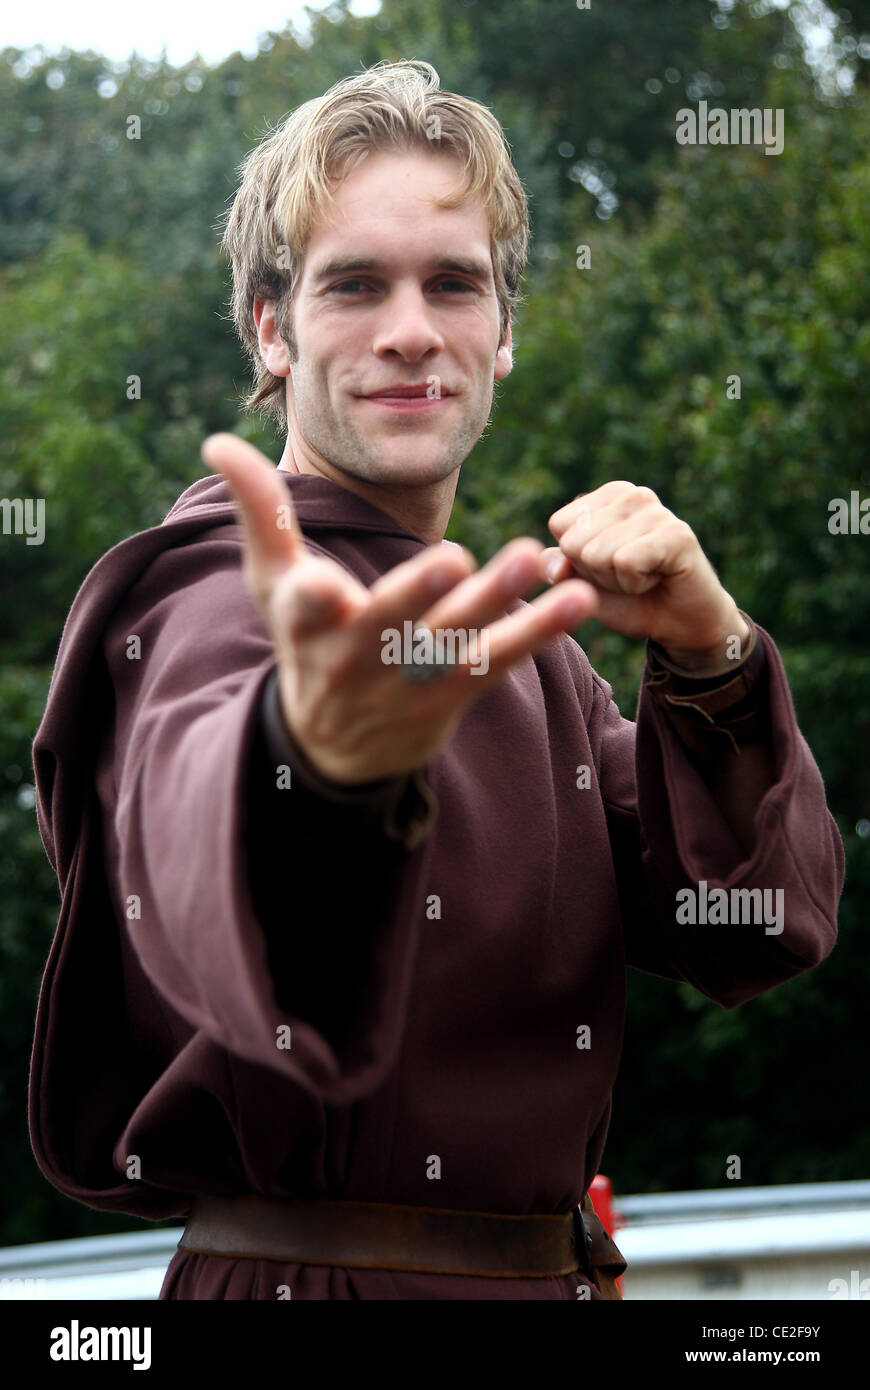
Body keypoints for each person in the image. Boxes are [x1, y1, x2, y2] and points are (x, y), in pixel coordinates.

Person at [29, 60, 844, 1301]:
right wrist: (316, 757)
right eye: (353, 283)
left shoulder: (534, 657)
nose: (411, 328)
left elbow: (752, 926)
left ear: (504, 333)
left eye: (453, 282)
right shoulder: (205, 592)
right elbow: (195, 846)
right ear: (270, 326)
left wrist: (711, 653)